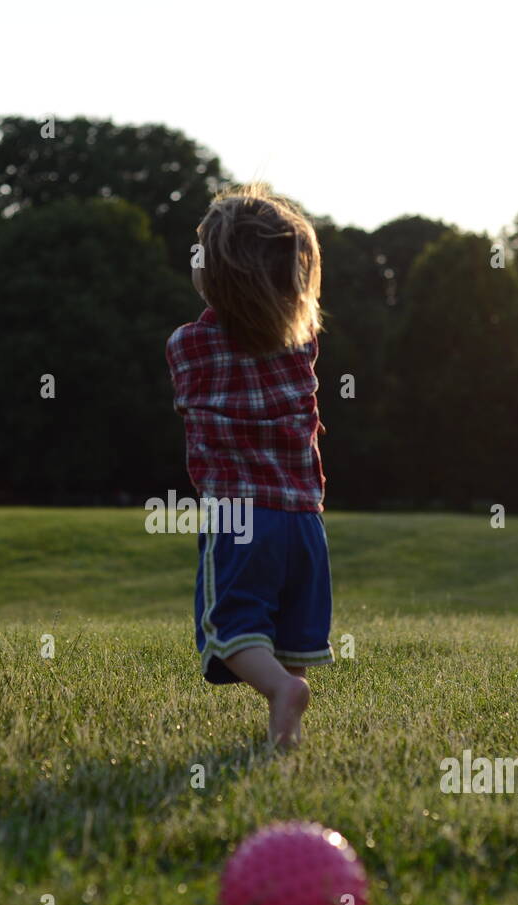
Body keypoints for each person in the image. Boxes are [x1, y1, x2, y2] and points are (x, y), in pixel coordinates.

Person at [166, 183, 330, 747]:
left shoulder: (188, 345)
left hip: (240, 515)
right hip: (305, 520)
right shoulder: (302, 346)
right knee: (292, 635)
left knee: (231, 627)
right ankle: (285, 728)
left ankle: (282, 693)